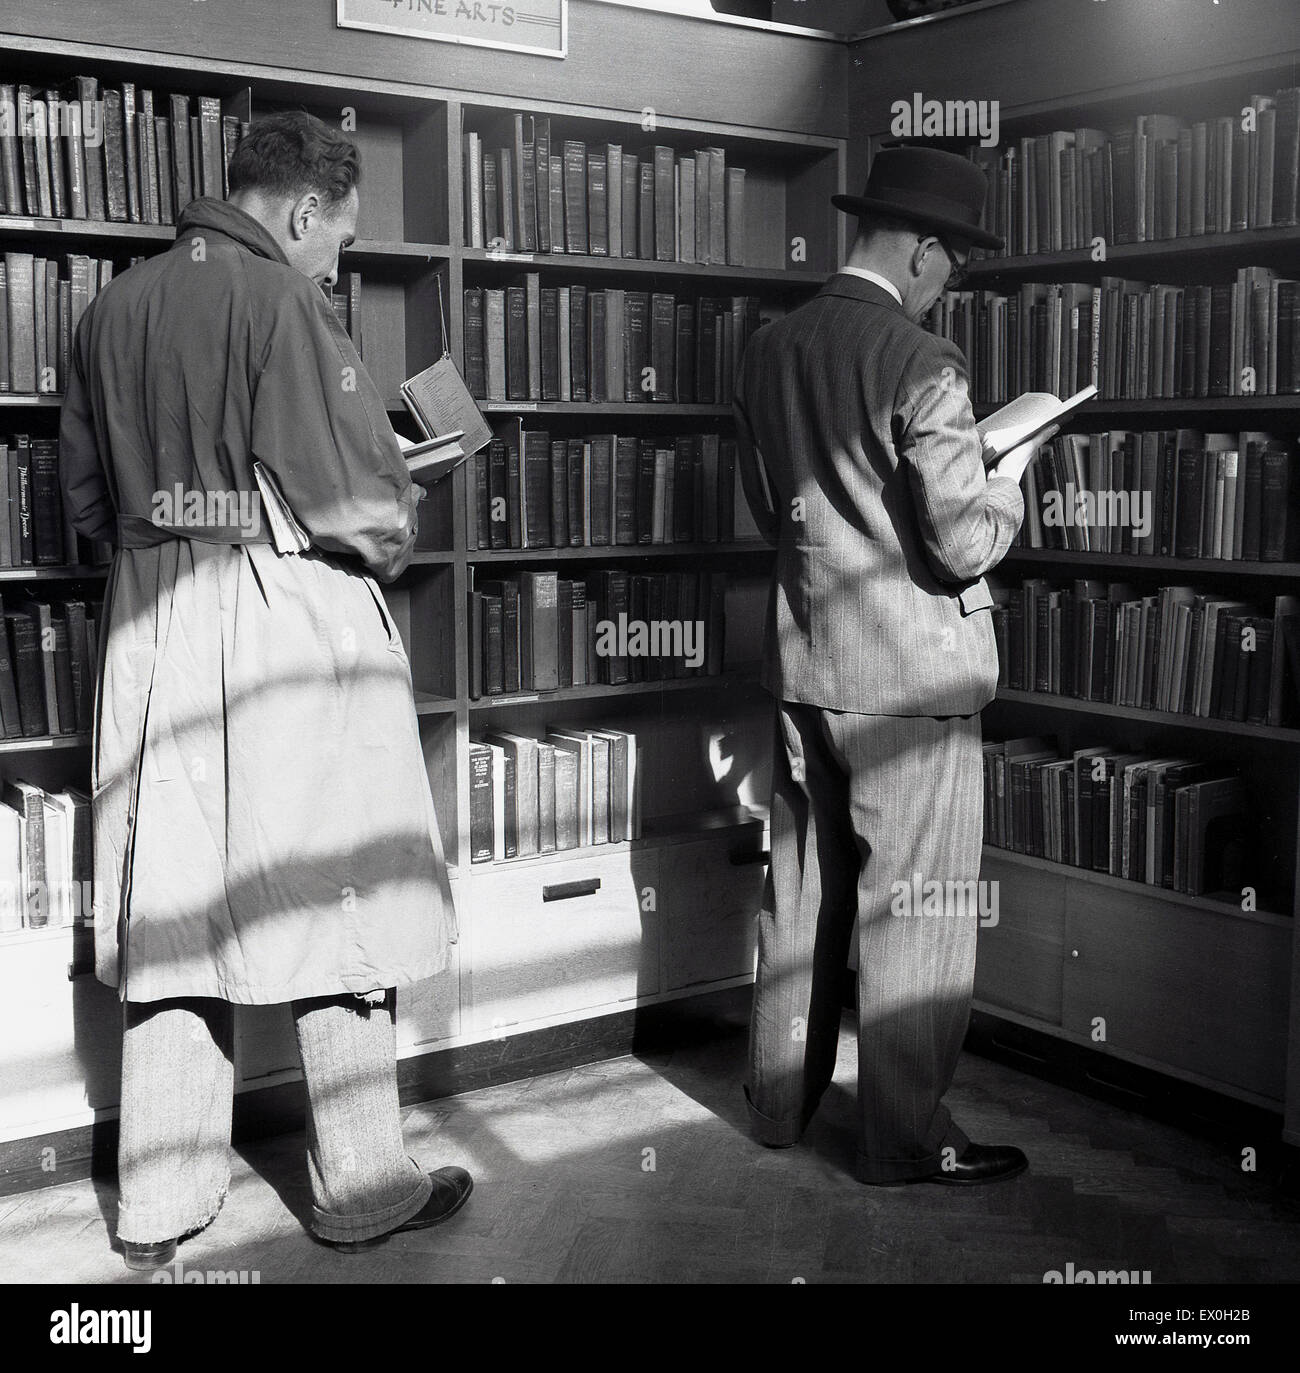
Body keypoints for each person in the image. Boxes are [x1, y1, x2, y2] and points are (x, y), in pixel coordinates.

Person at [58, 111, 472, 1268]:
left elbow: (89, 504)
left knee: (177, 914)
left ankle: (159, 1204)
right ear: (299, 212)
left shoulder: (112, 307)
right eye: (337, 239)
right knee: (335, 891)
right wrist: (407, 488)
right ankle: (362, 1182)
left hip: (150, 634)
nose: (335, 262)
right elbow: (356, 506)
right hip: (282, 626)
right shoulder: (287, 303)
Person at [733, 146, 1055, 1186]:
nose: (945, 285)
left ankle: (777, 1107)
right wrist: (1010, 478)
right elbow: (961, 538)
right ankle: (903, 1141)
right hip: (910, 683)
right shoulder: (926, 362)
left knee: (802, 894)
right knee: (915, 912)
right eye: (949, 266)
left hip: (803, 662)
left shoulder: (769, 347)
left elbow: (764, 501)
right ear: (921, 251)